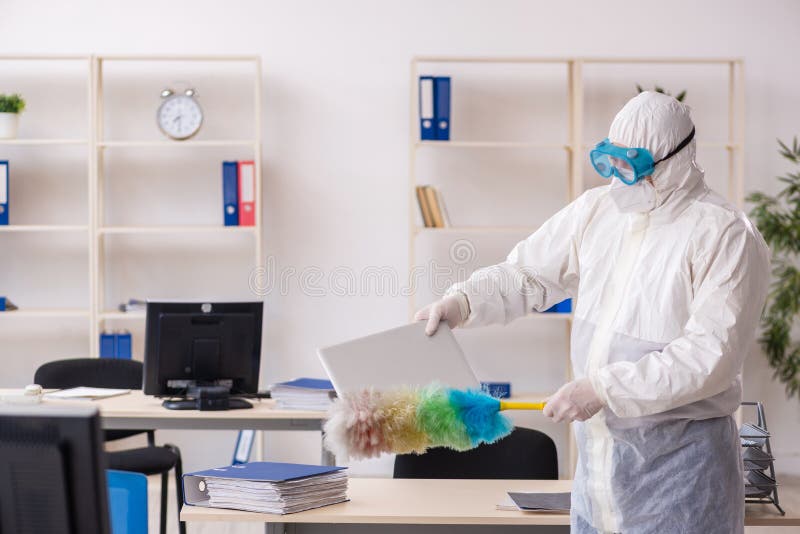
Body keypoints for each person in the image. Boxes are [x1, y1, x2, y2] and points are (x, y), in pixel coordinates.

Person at [415, 91, 770, 533]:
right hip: (599, 473)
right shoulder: (597, 211)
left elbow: (709, 358)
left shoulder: (725, 234)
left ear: (676, 161)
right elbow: (527, 273)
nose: (621, 179)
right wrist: (463, 301)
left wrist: (602, 388)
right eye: (612, 163)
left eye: (633, 166)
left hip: (682, 475)